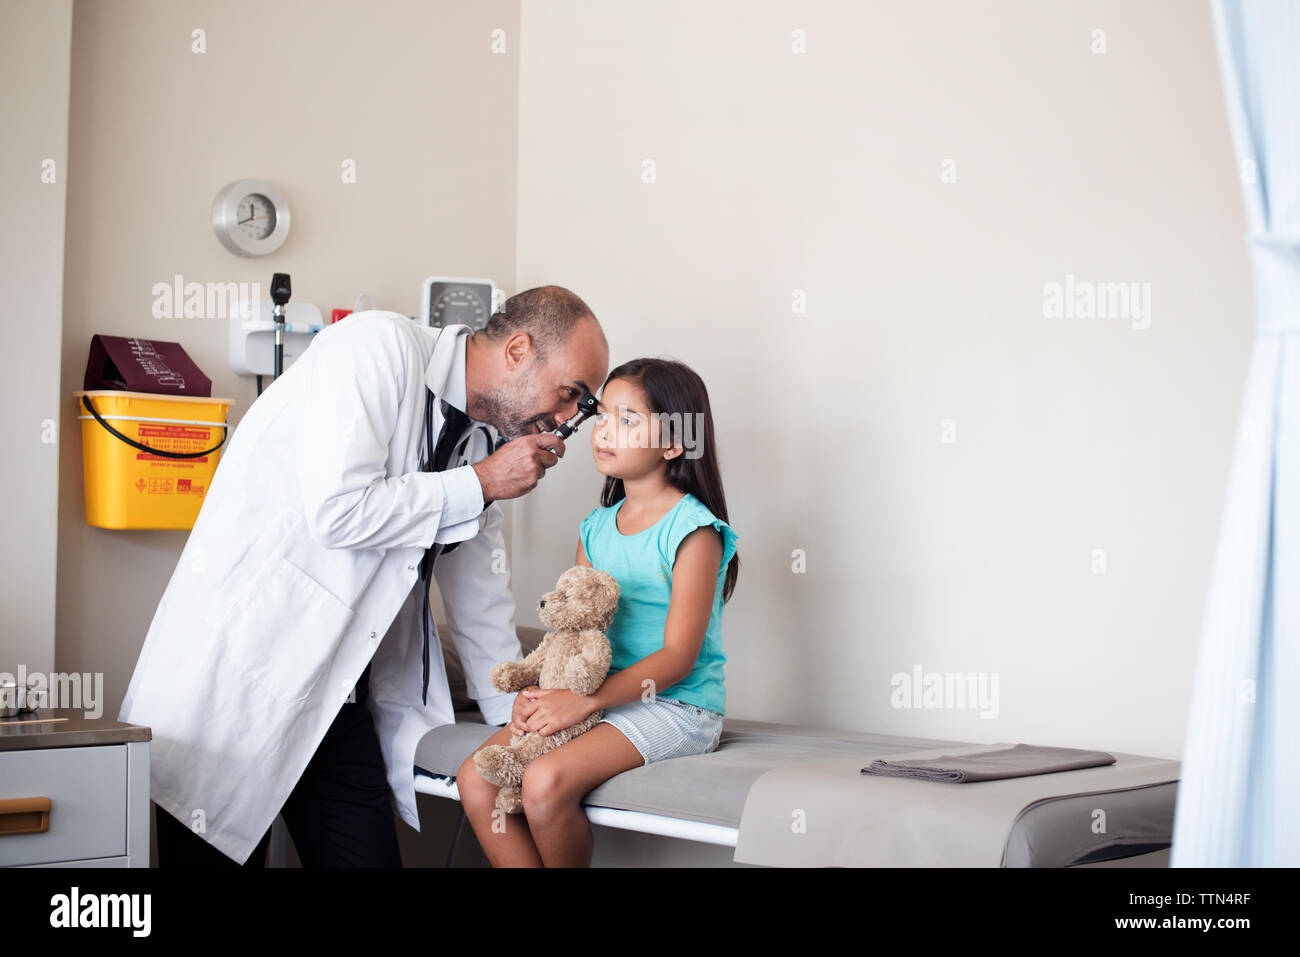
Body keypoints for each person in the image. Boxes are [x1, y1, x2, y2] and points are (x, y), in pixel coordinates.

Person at [119, 285, 609, 866]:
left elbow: (479, 596)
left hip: (336, 703)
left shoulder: (479, 444)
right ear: (519, 350)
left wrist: (519, 722)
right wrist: (478, 482)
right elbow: (338, 509)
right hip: (236, 686)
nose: (562, 419)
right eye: (568, 393)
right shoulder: (378, 348)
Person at [456, 357, 740, 867]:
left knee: (543, 783)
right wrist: (538, 695)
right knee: (477, 778)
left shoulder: (694, 531)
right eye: (603, 415)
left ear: (674, 442)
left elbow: (677, 657)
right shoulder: (595, 527)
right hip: (596, 697)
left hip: (676, 706)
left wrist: (584, 703)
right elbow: (571, 629)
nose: (604, 431)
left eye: (627, 420)